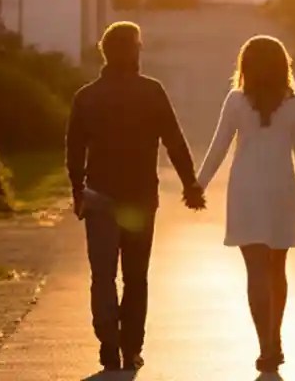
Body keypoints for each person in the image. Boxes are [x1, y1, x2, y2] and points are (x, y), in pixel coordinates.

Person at [65, 21, 207, 372]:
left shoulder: (86, 97)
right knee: (135, 276)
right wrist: (190, 184)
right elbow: (174, 141)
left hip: (99, 197)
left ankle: (108, 344)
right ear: (132, 51)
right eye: (138, 46)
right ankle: (131, 348)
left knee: (102, 276)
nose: (141, 50)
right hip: (140, 200)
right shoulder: (151, 92)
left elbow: (74, 149)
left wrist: (77, 189)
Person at [196, 35, 295, 374]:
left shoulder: (236, 101)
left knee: (256, 270)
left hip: (246, 190)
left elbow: (218, 146)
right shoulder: (294, 104)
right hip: (281, 189)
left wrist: (198, 185)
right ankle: (275, 338)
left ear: (245, 66)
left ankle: (265, 345)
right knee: (277, 268)